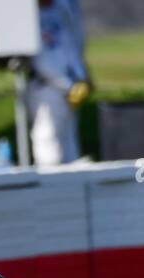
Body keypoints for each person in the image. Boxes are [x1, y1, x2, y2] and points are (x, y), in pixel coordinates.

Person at [27, 0, 90, 166]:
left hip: (70, 86)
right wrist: (67, 85)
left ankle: (72, 182)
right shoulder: (31, 17)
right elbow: (42, 62)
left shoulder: (62, 10)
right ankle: (49, 181)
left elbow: (72, 48)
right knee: (47, 138)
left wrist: (81, 77)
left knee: (69, 141)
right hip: (46, 87)